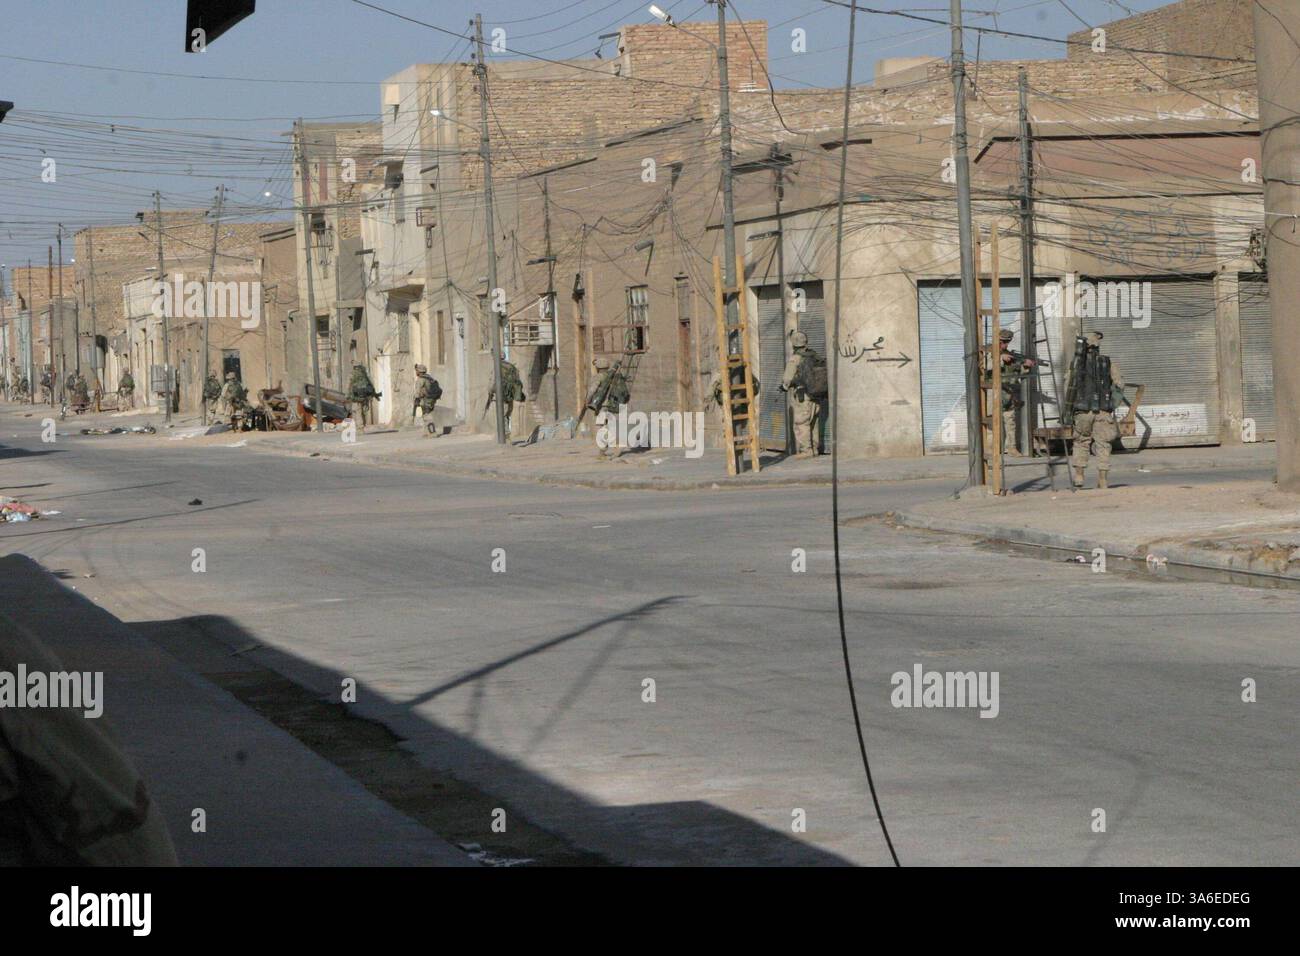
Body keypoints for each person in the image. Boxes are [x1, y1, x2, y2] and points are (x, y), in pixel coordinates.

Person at [1068, 331, 1125, 489]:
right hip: (1103, 411)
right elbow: (1119, 385)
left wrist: (1070, 410)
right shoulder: (1108, 363)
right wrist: (1111, 405)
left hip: (1082, 411)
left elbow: (1069, 388)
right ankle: (1103, 480)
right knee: (1103, 444)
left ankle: (1079, 476)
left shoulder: (1075, 363)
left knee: (1081, 442)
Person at [778, 330, 827, 458]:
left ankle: (806, 450)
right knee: (813, 422)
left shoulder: (795, 358)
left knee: (801, 423)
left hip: (802, 396)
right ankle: (815, 449)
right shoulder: (814, 355)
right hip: (816, 395)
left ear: (794, 344)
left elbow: (787, 379)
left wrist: (783, 387)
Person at [989, 328, 1036, 457]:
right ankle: (992, 449)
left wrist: (1025, 366)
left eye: (1006, 342)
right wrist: (999, 358)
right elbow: (984, 367)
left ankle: (1012, 448)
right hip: (992, 394)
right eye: (1002, 342)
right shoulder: (988, 352)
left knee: (1010, 423)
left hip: (1008, 394)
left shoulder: (1009, 354)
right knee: (992, 424)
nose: (1004, 345)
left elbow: (1017, 374)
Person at [586, 359, 631, 458]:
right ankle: (603, 449)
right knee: (607, 427)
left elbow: (592, 390)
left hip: (601, 406)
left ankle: (614, 446)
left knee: (600, 428)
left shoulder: (598, 377)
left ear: (597, 367)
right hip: (612, 405)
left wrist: (588, 400)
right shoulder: (614, 376)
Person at [486, 359, 526, 435]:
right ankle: (505, 434)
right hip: (510, 395)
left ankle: (505, 435)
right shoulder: (512, 367)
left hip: (501, 396)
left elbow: (492, 383)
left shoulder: (497, 368)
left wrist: (490, 392)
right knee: (507, 415)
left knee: (501, 416)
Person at [413, 364, 442, 436]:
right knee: (426, 414)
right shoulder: (429, 378)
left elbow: (417, 391)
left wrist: (416, 399)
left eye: (417, 371)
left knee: (427, 415)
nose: (416, 372)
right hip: (432, 399)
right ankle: (427, 432)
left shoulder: (421, 379)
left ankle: (433, 432)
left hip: (426, 399)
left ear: (419, 371)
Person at [348, 362, 379, 427]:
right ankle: (363, 424)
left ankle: (360, 425)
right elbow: (371, 384)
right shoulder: (365, 374)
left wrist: (348, 394)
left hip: (356, 396)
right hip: (365, 395)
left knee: (357, 410)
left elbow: (349, 384)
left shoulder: (352, 374)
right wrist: (372, 394)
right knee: (364, 410)